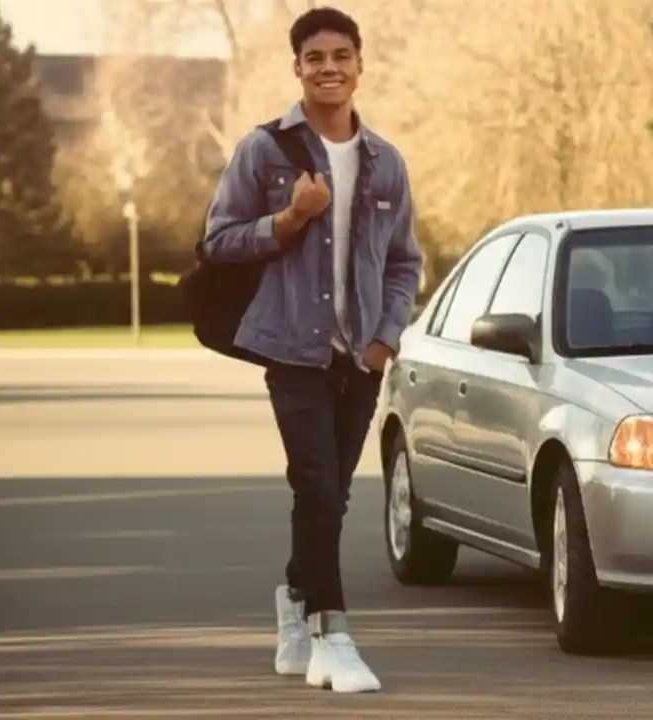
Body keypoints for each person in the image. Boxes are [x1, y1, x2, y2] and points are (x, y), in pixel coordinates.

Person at [200, 6, 422, 693]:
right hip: (292, 349)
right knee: (318, 487)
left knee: (330, 500)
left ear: (360, 64)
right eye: (315, 57)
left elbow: (404, 263)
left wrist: (387, 337)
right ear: (296, 68)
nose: (329, 67)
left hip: (359, 356)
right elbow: (217, 241)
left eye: (341, 55)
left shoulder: (386, 161)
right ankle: (334, 636)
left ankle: (292, 606)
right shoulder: (263, 150)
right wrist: (291, 219)